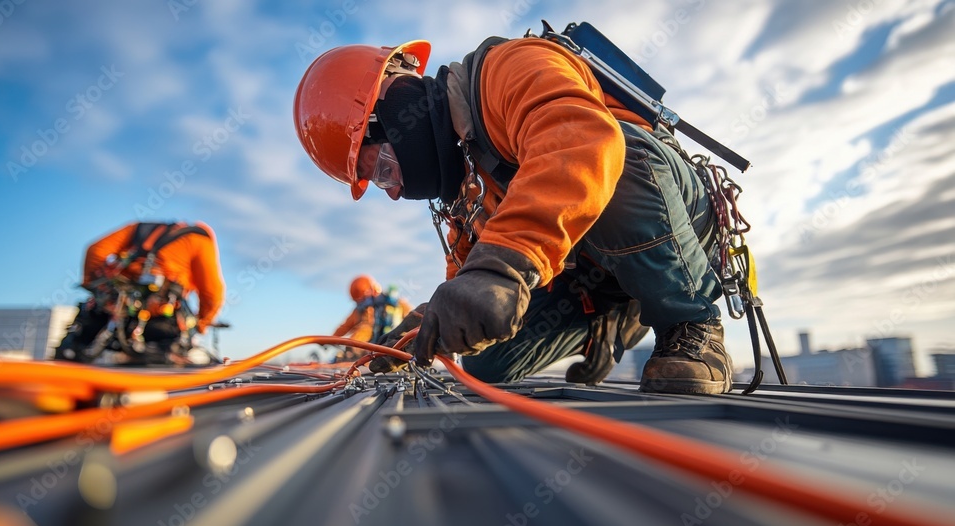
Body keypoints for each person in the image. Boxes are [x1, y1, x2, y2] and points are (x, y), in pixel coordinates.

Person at [293, 31, 733, 394]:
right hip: (590, 270)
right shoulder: (466, 189)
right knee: (483, 359)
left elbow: (581, 138)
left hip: (670, 213)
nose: (393, 193)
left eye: (385, 172)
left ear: (392, 106)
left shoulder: (508, 68)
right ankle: (607, 324)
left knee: (615, 154)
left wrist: (503, 266)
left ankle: (693, 326)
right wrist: (433, 321)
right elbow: (472, 281)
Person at [54, 221, 225, 365]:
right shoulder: (200, 240)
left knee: (74, 352)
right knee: (167, 362)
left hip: (107, 319)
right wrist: (202, 325)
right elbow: (212, 292)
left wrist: (104, 297)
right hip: (159, 325)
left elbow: (95, 251)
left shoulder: (138, 229)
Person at [330, 275, 412, 361]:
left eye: (362, 299)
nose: (361, 303)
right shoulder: (360, 311)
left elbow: (413, 320)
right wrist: (331, 339)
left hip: (394, 350)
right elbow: (345, 326)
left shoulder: (398, 304)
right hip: (368, 355)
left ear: (372, 290)